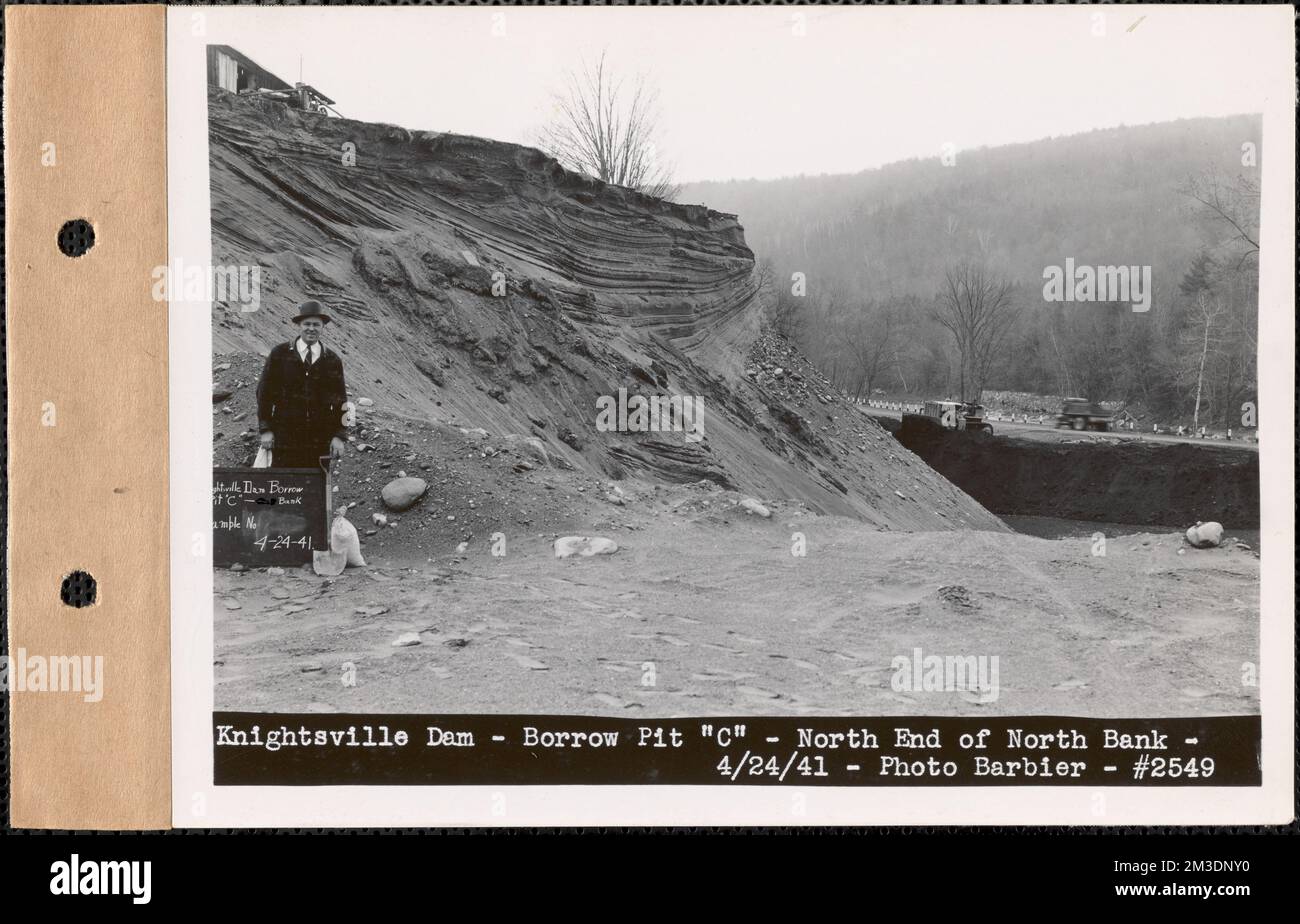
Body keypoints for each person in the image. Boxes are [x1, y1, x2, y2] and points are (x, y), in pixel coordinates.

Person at [256, 300, 348, 469]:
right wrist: (265, 429)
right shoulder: (280, 354)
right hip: (284, 437)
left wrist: (339, 436)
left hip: (319, 439)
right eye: (307, 324)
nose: (311, 328)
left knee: (314, 488)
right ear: (299, 325)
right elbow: (264, 394)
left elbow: (341, 401)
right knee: (283, 488)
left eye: (316, 324)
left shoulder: (332, 360)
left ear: (322, 327)